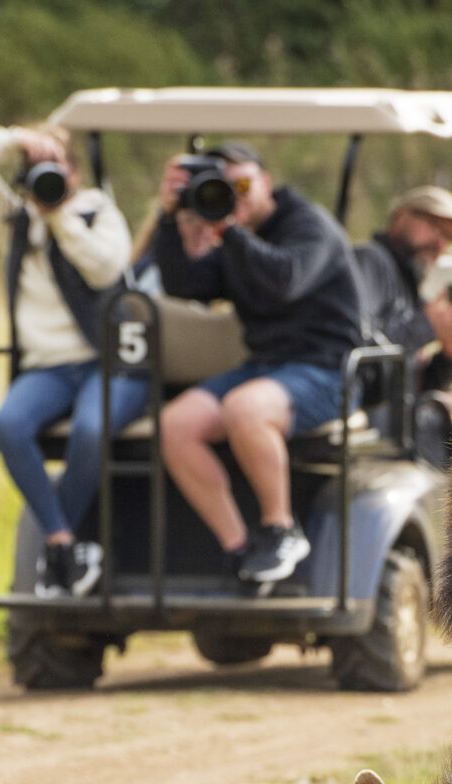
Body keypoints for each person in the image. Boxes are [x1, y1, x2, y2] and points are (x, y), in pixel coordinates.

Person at [152, 143, 364, 584]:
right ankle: (241, 550)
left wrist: (227, 228)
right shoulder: (234, 235)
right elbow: (185, 283)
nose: (236, 194)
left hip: (327, 368)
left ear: (266, 182)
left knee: (244, 408)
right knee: (175, 424)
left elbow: (284, 280)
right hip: (266, 366)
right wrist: (170, 217)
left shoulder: (310, 225)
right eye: (222, 188)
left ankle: (280, 528)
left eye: (244, 184)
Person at [0, 123, 149, 596]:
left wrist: (58, 215)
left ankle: (56, 551)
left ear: (76, 172)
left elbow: (106, 270)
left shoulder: (98, 212)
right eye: (40, 170)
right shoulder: (15, 220)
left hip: (110, 362)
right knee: (10, 425)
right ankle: (62, 542)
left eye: (59, 167)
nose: (50, 178)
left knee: (89, 429)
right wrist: (17, 141)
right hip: (49, 368)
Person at [354, 185, 452, 457]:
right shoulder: (370, 261)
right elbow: (358, 344)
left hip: (400, 413)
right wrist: (428, 327)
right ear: (402, 217)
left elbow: (417, 382)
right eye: (436, 229)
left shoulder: (410, 284)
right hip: (375, 418)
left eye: (450, 239)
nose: (441, 244)